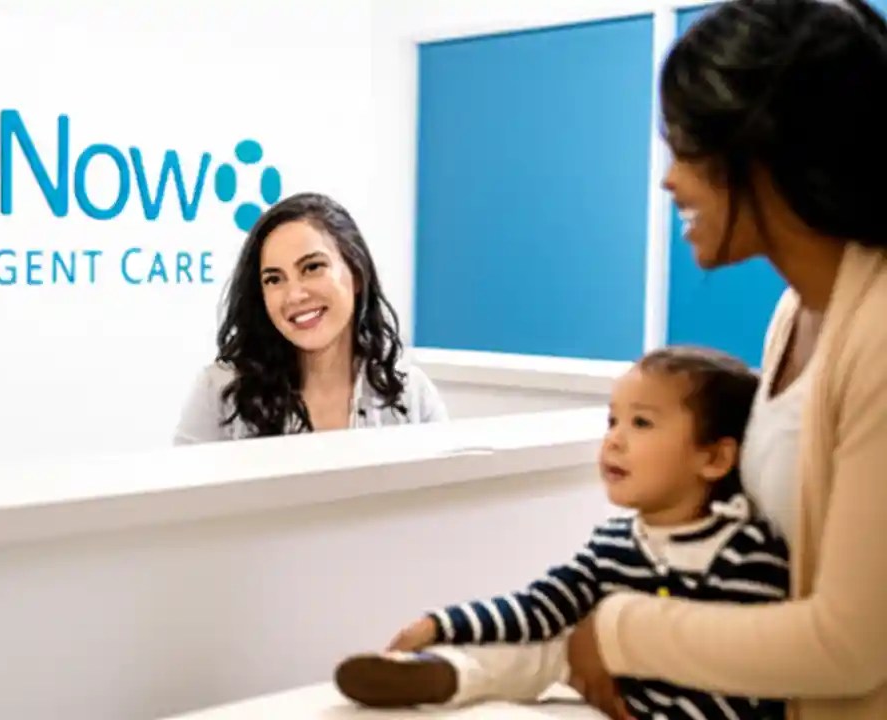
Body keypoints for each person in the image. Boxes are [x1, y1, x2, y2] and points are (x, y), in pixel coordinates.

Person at [563, 2, 887, 718]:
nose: (669, 180)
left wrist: (618, 630)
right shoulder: (794, 315)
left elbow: (852, 642)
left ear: (763, 153)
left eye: (685, 148)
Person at [333, 346, 788, 719]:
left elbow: (745, 686)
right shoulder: (614, 544)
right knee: (544, 649)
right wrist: (441, 624)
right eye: (612, 421)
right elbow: (541, 605)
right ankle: (445, 674)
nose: (614, 440)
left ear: (714, 458)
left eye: (641, 423)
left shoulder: (744, 555)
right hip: (618, 699)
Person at [173, 192, 447, 444]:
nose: (294, 295)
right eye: (274, 279)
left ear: (356, 273)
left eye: (312, 267)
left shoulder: (412, 395)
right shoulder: (219, 393)